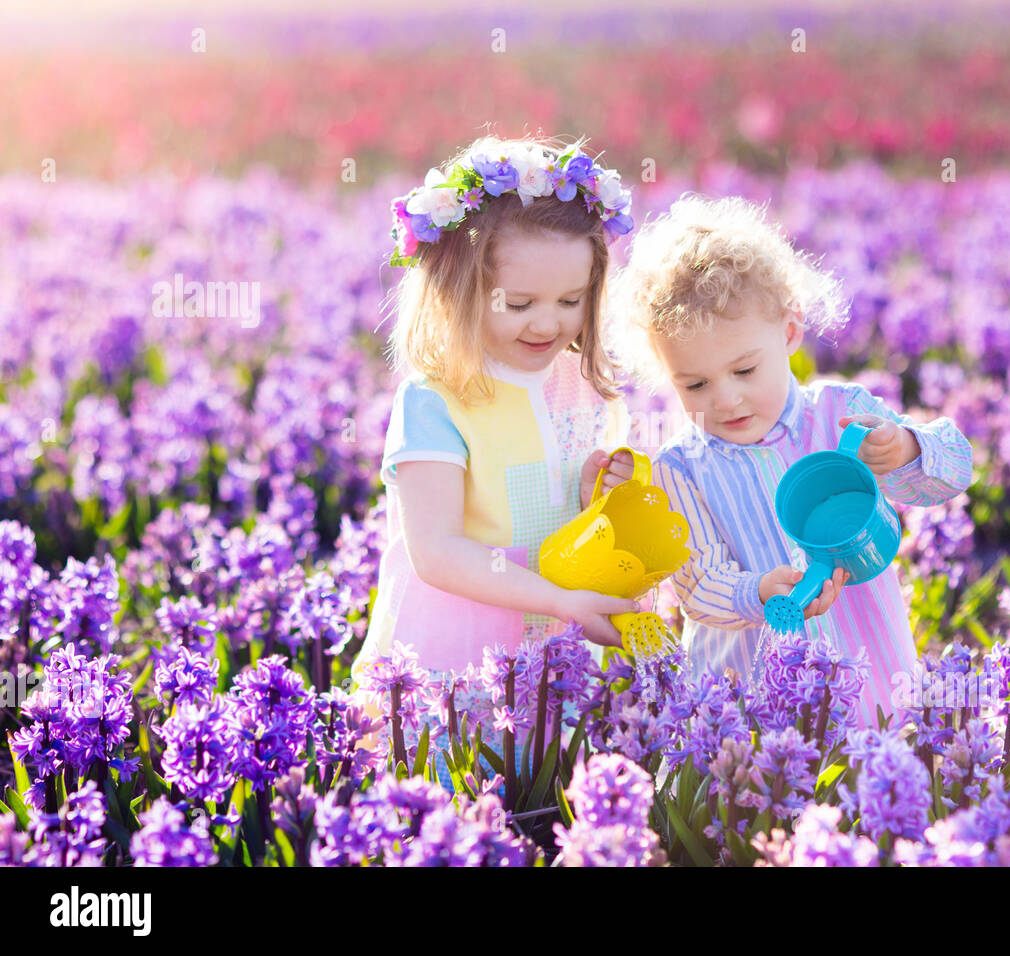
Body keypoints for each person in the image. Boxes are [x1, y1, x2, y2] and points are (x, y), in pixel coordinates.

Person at [610, 194, 974, 728]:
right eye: (695, 383)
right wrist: (755, 592)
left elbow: (952, 474)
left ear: (789, 331)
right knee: (769, 792)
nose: (726, 399)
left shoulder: (841, 416)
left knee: (877, 755)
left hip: (866, 655)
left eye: (744, 371)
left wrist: (906, 449)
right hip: (750, 691)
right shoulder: (680, 469)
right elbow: (696, 585)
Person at [351, 134, 642, 783]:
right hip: (455, 650)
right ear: (459, 286)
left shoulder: (579, 382)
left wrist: (600, 487)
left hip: (556, 638)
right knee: (456, 796)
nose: (549, 323)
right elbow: (437, 552)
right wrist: (561, 599)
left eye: (572, 301)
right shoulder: (436, 401)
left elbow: (562, 501)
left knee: (543, 798)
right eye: (520, 302)